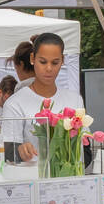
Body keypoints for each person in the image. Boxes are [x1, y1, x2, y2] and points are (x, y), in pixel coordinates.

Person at [6, 33, 85, 163]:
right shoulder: (15, 103)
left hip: (68, 179)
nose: (49, 68)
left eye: (55, 62)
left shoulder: (75, 100)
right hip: (32, 180)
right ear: (32, 58)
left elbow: (84, 147)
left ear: (62, 61)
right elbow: (8, 151)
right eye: (43, 62)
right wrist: (20, 150)